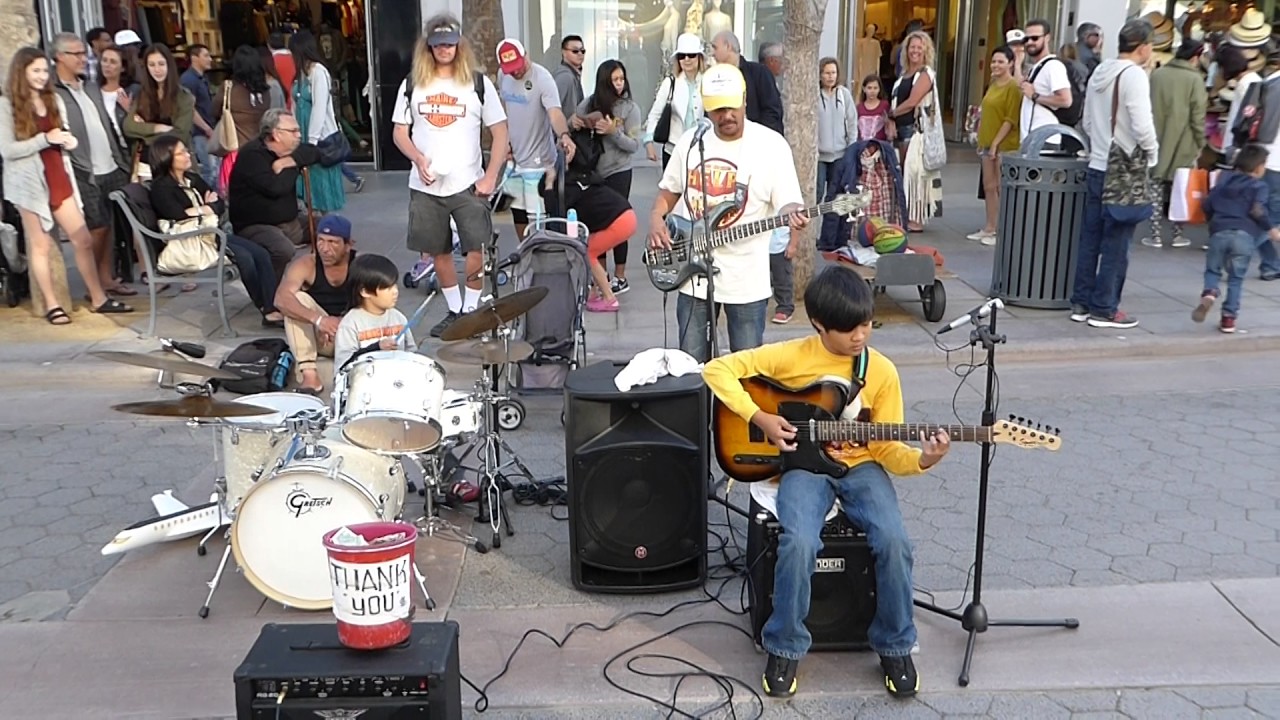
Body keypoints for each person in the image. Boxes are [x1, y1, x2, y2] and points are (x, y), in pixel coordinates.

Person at [702, 265, 951, 699]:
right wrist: (759, 417)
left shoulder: (881, 372)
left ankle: (895, 644)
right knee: (797, 542)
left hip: (862, 467)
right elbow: (716, 370)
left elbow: (889, 449)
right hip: (803, 468)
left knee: (895, 541)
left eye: (867, 324)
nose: (860, 335)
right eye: (849, 329)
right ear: (819, 326)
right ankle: (784, 645)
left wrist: (924, 460)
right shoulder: (792, 355)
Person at [646, 63, 805, 362]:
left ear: (745, 100)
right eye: (717, 109)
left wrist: (795, 214)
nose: (726, 115)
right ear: (706, 108)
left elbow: (788, 203)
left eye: (732, 107)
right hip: (692, 274)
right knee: (689, 365)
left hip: (746, 280)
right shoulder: (692, 142)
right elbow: (669, 192)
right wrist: (656, 218)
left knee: (745, 367)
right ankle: (698, 411)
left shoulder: (771, 146)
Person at [392, 14, 509, 338]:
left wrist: (490, 176)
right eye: (438, 44)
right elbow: (400, 132)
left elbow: (500, 132)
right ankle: (454, 309)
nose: (444, 49)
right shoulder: (413, 83)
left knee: (477, 248)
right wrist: (416, 159)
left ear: (459, 45)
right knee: (437, 249)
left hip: (467, 181)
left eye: (450, 44)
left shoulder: (477, 83)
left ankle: (471, 310)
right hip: (426, 185)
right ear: (428, 47)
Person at [0, 46, 133, 323]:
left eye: (43, 71)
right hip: (29, 184)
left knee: (82, 238)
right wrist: (45, 139)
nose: (40, 76)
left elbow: (63, 135)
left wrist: (67, 141)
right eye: (35, 70)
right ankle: (52, 305)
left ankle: (98, 298)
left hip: (59, 174)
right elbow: (7, 150)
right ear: (21, 72)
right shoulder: (6, 105)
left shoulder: (53, 99)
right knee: (40, 246)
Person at [1071, 19, 1157, 330]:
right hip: (1122, 170)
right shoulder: (1133, 75)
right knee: (1117, 243)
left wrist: (1099, 145)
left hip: (1097, 164)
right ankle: (1104, 308)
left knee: (1090, 238)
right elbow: (1141, 123)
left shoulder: (1100, 72)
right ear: (1144, 46)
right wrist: (1151, 154)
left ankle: (1081, 302)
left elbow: (1088, 121)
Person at [148, 135, 283, 328]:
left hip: (210, 234)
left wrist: (203, 209)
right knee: (244, 257)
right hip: (191, 241)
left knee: (260, 252)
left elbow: (219, 203)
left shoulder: (192, 178)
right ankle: (267, 309)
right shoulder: (161, 188)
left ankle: (271, 305)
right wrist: (206, 207)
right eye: (181, 153)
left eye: (186, 151)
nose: (188, 155)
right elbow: (176, 214)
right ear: (166, 158)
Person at [50, 33, 135, 298]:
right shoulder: (53, 92)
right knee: (96, 226)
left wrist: (121, 160)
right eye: (76, 54)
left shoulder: (89, 86)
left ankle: (106, 278)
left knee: (109, 226)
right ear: (59, 56)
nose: (83, 58)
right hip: (84, 171)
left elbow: (106, 122)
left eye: (84, 53)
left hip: (111, 164)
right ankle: (94, 285)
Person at [494, 37, 575, 239]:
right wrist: (504, 142)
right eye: (510, 68)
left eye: (518, 65)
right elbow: (503, 108)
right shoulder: (503, 76)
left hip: (538, 161)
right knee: (517, 210)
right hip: (515, 160)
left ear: (525, 55)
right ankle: (525, 252)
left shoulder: (542, 78)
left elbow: (554, 113)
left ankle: (539, 253)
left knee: (536, 215)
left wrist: (564, 135)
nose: (516, 71)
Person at [574, 59, 642, 299]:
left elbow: (634, 145)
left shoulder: (630, 108)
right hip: (595, 174)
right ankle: (601, 276)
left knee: (619, 222)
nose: (619, 84)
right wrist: (577, 122)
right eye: (614, 79)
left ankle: (621, 276)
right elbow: (575, 120)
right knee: (599, 223)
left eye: (622, 79)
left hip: (619, 171)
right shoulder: (589, 103)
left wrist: (614, 132)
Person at [227, 108, 321, 280]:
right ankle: (271, 291)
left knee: (330, 229)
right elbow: (276, 187)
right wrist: (294, 165)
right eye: (293, 131)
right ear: (276, 134)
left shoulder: (289, 151)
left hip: (289, 222)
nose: (298, 135)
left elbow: (314, 152)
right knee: (282, 250)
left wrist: (285, 162)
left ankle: (320, 281)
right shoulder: (252, 155)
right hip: (257, 225)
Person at [1194, 144, 1277, 333]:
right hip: (1244, 236)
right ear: (1258, 167)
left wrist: (1212, 222)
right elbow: (1257, 211)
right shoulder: (1259, 186)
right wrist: (1270, 228)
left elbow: (1208, 203)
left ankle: (1210, 292)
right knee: (1236, 278)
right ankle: (1228, 319)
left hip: (1219, 232)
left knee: (1213, 270)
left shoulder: (1224, 179)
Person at [274, 213, 356, 393]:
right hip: (321, 336)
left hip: (354, 334)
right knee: (296, 300)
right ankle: (310, 376)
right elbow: (280, 299)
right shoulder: (307, 264)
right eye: (321, 240)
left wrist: (342, 325)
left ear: (349, 245)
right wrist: (319, 321)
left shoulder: (360, 264)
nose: (325, 248)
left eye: (333, 242)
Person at [1143, 39, 1207, 249]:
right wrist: (1201, 142)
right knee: (1181, 188)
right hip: (1184, 141)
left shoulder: (1158, 75)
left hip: (1158, 137)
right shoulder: (1195, 79)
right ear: (1195, 57)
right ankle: (1177, 234)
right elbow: (1198, 115)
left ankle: (1155, 234)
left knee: (1155, 186)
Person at [333, 254, 418, 378]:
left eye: (395, 285)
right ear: (365, 291)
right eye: (387, 288)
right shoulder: (350, 324)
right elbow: (342, 369)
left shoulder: (398, 318)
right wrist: (376, 348)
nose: (395, 291)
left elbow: (412, 354)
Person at [890, 31, 940, 231]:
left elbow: (912, 102)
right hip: (901, 129)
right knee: (904, 173)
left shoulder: (926, 74)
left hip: (916, 130)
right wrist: (892, 120)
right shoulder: (904, 75)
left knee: (915, 174)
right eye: (912, 47)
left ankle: (916, 219)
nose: (915, 51)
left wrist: (890, 115)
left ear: (926, 50)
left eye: (920, 47)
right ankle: (905, 214)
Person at [971, 46, 1022, 244]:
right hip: (987, 142)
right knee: (989, 186)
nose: (996, 65)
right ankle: (990, 226)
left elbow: (1010, 119)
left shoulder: (1013, 87)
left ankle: (1002, 230)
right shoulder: (993, 84)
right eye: (994, 61)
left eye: (1001, 61)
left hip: (1005, 144)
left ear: (1010, 63)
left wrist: (995, 144)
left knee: (1001, 187)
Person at [291, 31, 345, 213]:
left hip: (319, 137)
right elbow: (294, 105)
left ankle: (327, 225)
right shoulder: (301, 74)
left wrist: (312, 142)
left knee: (322, 185)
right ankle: (316, 225)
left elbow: (320, 107)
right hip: (303, 133)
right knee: (309, 185)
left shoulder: (318, 72)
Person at [214, 46, 274, 194]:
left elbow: (214, 111)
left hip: (235, 150)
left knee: (236, 197)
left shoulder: (228, 89)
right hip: (262, 151)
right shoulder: (266, 92)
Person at [644, 33, 705, 170]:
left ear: (699, 57)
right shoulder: (670, 83)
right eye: (682, 56)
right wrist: (648, 142)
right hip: (674, 149)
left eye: (691, 55)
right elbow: (655, 113)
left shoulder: (707, 81)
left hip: (701, 151)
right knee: (672, 190)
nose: (687, 59)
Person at [123, 44, 194, 156]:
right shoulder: (142, 93)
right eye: (151, 65)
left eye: (161, 64)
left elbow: (180, 135)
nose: (157, 69)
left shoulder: (184, 96)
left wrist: (144, 137)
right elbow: (128, 127)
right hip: (145, 162)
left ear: (169, 65)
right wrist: (157, 128)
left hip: (174, 160)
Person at [710, 31, 783, 134]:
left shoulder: (759, 73)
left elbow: (772, 112)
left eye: (715, 47)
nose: (712, 53)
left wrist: (756, 138)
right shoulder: (713, 78)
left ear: (728, 46)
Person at [1019, 20, 1072, 144]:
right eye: (1026, 39)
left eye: (1035, 38)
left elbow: (1065, 100)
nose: (1030, 42)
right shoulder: (1037, 67)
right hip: (1032, 138)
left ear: (1047, 38)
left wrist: (1034, 96)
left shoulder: (1053, 66)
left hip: (1045, 139)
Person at [818, 60, 858, 203]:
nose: (830, 77)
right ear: (820, 75)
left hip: (840, 154)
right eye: (827, 73)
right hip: (819, 156)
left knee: (835, 196)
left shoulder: (844, 94)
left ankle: (830, 225)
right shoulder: (815, 95)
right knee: (817, 193)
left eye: (833, 73)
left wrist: (851, 148)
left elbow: (852, 121)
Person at [180, 44, 218, 189]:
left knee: (213, 170)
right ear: (194, 58)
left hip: (206, 130)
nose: (210, 59)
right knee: (207, 171)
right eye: (206, 55)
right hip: (199, 133)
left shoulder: (202, 78)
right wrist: (207, 129)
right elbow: (189, 109)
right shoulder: (188, 80)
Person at [98, 45, 136, 136]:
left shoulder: (133, 91)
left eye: (113, 62)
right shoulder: (93, 92)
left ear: (123, 67)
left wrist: (129, 110)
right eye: (104, 60)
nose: (107, 65)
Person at [552, 35, 586, 112]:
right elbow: (553, 109)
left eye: (582, 51)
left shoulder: (573, 74)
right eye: (575, 51)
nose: (580, 54)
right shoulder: (565, 77)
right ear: (564, 52)